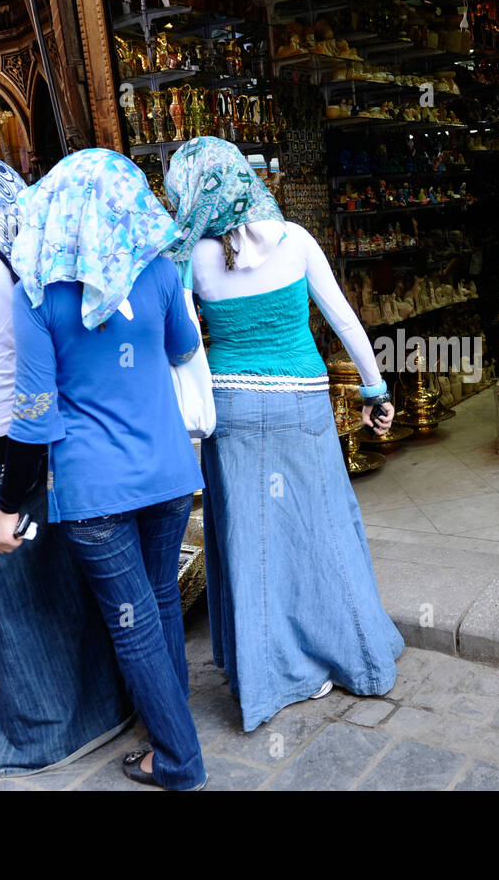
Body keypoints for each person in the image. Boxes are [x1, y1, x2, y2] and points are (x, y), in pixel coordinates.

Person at [165, 136, 404, 733]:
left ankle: (268, 674)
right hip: (302, 403)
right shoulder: (296, 241)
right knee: (320, 525)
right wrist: (376, 391)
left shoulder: (191, 258)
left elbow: (181, 347)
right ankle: (351, 657)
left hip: (232, 409)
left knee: (250, 540)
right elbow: (343, 316)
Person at [0, 148, 206, 791]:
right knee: (159, 600)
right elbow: (184, 348)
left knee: (131, 620)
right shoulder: (159, 270)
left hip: (94, 489)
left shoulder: (35, 293)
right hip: (167, 473)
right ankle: (171, 720)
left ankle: (179, 758)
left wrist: (6, 510)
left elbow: (32, 415)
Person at [0, 156, 131, 776]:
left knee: (13, 597)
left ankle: (38, 735)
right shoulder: (26, 250)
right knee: (64, 581)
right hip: (46, 437)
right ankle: (101, 711)